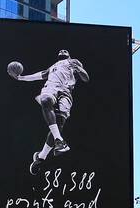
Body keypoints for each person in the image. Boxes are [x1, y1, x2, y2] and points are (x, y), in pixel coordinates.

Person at [9, 48, 90, 176]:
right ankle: (59, 140)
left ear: (68, 55)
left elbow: (86, 78)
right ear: (58, 56)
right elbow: (38, 75)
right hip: (51, 88)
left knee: (59, 124)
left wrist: (79, 69)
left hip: (66, 92)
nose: (63, 50)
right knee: (45, 99)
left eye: (65, 50)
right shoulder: (52, 67)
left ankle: (41, 157)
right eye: (61, 50)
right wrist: (20, 78)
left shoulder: (73, 62)